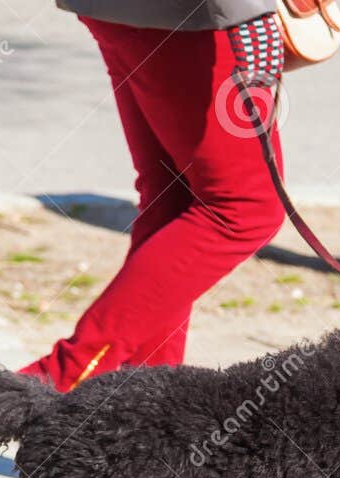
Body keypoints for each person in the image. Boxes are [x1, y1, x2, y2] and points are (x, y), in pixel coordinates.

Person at [21, 1, 287, 390]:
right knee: (245, 209)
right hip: (199, 18)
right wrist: (250, 10)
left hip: (134, 13)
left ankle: (141, 408)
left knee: (172, 196)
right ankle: (57, 380)